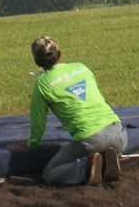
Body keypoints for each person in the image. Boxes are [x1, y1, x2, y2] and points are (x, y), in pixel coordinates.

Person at [9, 36, 124, 186]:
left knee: (50, 173)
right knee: (100, 144)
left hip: (90, 138)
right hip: (118, 131)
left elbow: (38, 123)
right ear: (60, 53)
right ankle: (107, 158)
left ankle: (87, 168)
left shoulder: (42, 84)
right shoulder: (81, 67)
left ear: (37, 62)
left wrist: (31, 144)